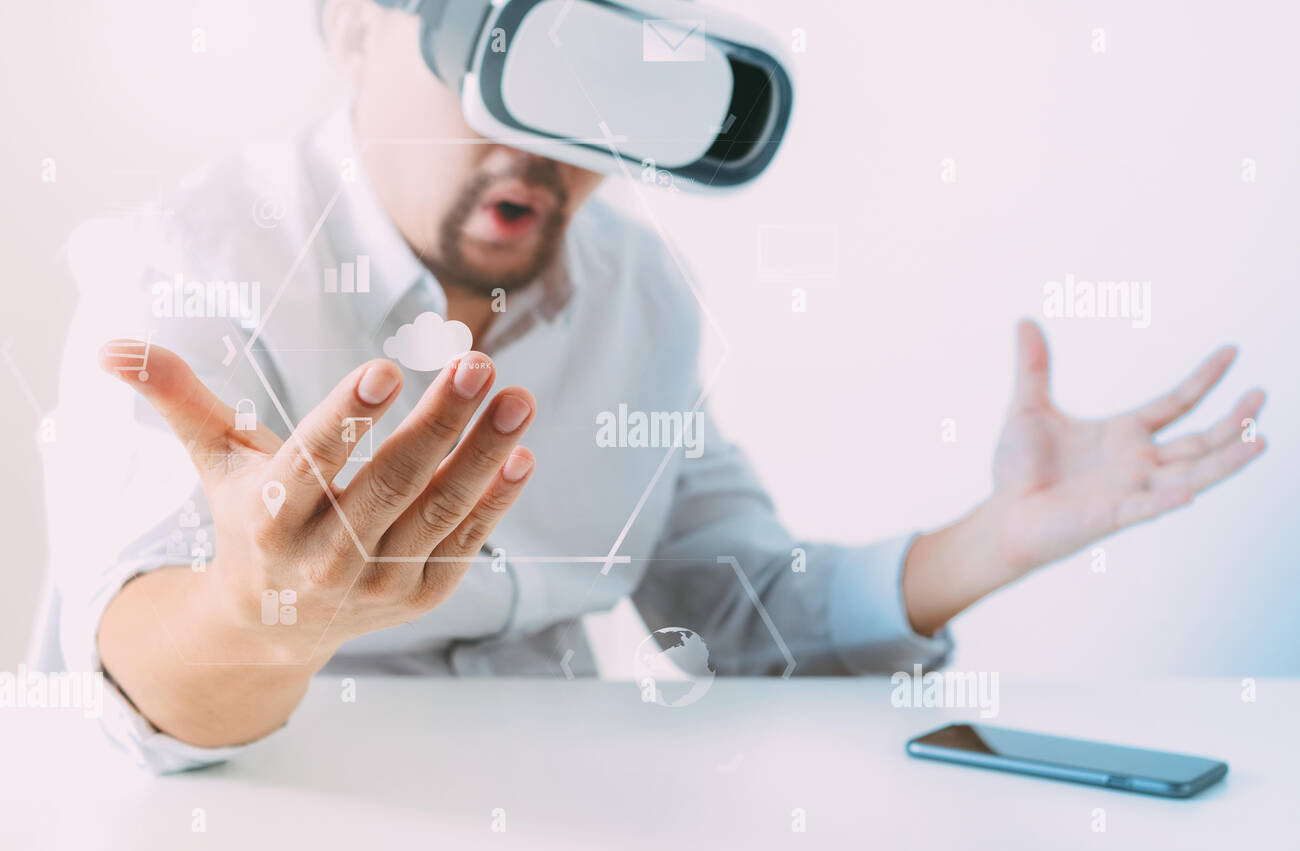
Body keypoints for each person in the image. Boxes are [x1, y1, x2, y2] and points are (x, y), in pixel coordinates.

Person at [39, 0, 1267, 772]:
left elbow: (742, 616)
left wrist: (994, 537)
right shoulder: (192, 267)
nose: (548, 142)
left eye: (604, 87)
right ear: (355, 26)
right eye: (514, 56)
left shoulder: (637, 294)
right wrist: (260, 614)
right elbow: (129, 665)